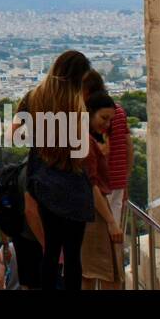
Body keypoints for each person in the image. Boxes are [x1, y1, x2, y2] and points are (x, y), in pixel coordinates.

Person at [21, 50, 95, 290]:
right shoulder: (76, 107)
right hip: (72, 183)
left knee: (51, 250)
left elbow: (23, 130)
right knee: (73, 255)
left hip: (44, 180)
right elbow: (81, 153)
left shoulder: (33, 97)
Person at [82, 70, 131, 289]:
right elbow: (128, 148)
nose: (107, 123)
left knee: (92, 265)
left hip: (100, 193)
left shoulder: (87, 123)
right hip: (108, 191)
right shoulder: (116, 112)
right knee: (109, 262)